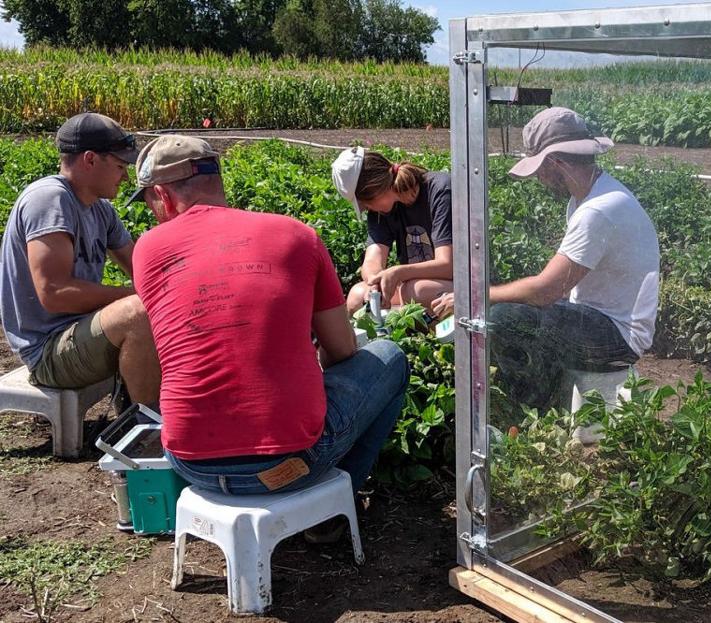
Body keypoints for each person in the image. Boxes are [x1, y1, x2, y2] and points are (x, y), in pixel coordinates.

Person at [129, 136, 409, 540]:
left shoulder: (147, 251)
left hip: (190, 463)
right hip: (292, 466)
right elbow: (344, 348)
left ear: (162, 196)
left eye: (151, 204)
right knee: (391, 358)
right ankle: (329, 507)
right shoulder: (295, 235)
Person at [433, 107, 660, 411]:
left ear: (554, 162)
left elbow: (545, 291)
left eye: (539, 168)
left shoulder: (597, 211)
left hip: (616, 335)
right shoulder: (591, 197)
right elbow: (556, 288)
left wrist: (472, 297)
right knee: (514, 310)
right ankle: (546, 408)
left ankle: (526, 415)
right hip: (600, 320)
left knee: (501, 320)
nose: (539, 177)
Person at [0, 112, 160, 405]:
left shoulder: (101, 209)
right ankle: (148, 428)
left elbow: (142, 269)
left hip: (78, 334)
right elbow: (55, 294)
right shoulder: (49, 199)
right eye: (120, 165)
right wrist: (135, 297)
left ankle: (153, 412)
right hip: (48, 349)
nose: (125, 176)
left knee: (163, 308)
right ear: (90, 159)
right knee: (140, 314)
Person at [331, 148, 452, 314]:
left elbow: (448, 265)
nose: (366, 208)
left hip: (460, 285)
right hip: (414, 287)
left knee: (414, 292)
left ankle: (420, 334)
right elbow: (372, 260)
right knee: (357, 296)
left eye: (365, 203)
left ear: (375, 189)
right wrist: (374, 282)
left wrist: (398, 272)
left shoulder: (440, 190)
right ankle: (402, 329)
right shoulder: (381, 211)